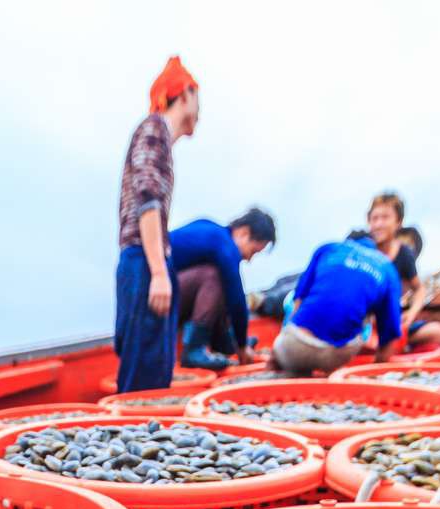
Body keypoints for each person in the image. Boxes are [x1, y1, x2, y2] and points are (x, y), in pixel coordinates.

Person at [114, 56, 199, 393]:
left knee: (155, 371)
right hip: (144, 261)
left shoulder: (159, 135)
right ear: (186, 94)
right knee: (143, 381)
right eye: (198, 96)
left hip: (145, 261)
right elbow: (147, 199)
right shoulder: (154, 128)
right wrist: (160, 272)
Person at [272, 235, 402, 375]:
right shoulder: (387, 267)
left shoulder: (329, 248)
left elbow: (298, 299)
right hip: (336, 355)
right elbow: (391, 331)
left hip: (294, 347)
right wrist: (377, 372)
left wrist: (285, 338)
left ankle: (278, 362)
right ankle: (330, 373)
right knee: (365, 313)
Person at [169, 208, 277, 371]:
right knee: (218, 276)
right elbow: (237, 297)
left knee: (225, 278)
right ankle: (194, 348)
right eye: (253, 251)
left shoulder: (213, 235)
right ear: (243, 233)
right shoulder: (222, 242)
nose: (248, 259)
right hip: (157, 299)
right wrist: (241, 345)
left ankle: (223, 341)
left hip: (173, 294)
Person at [364, 192, 440, 350]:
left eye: (385, 217)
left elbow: (419, 288)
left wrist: (411, 313)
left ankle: (395, 347)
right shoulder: (361, 249)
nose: (379, 224)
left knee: (438, 332)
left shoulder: (403, 254)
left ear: (398, 222)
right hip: (362, 325)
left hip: (390, 324)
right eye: (375, 218)